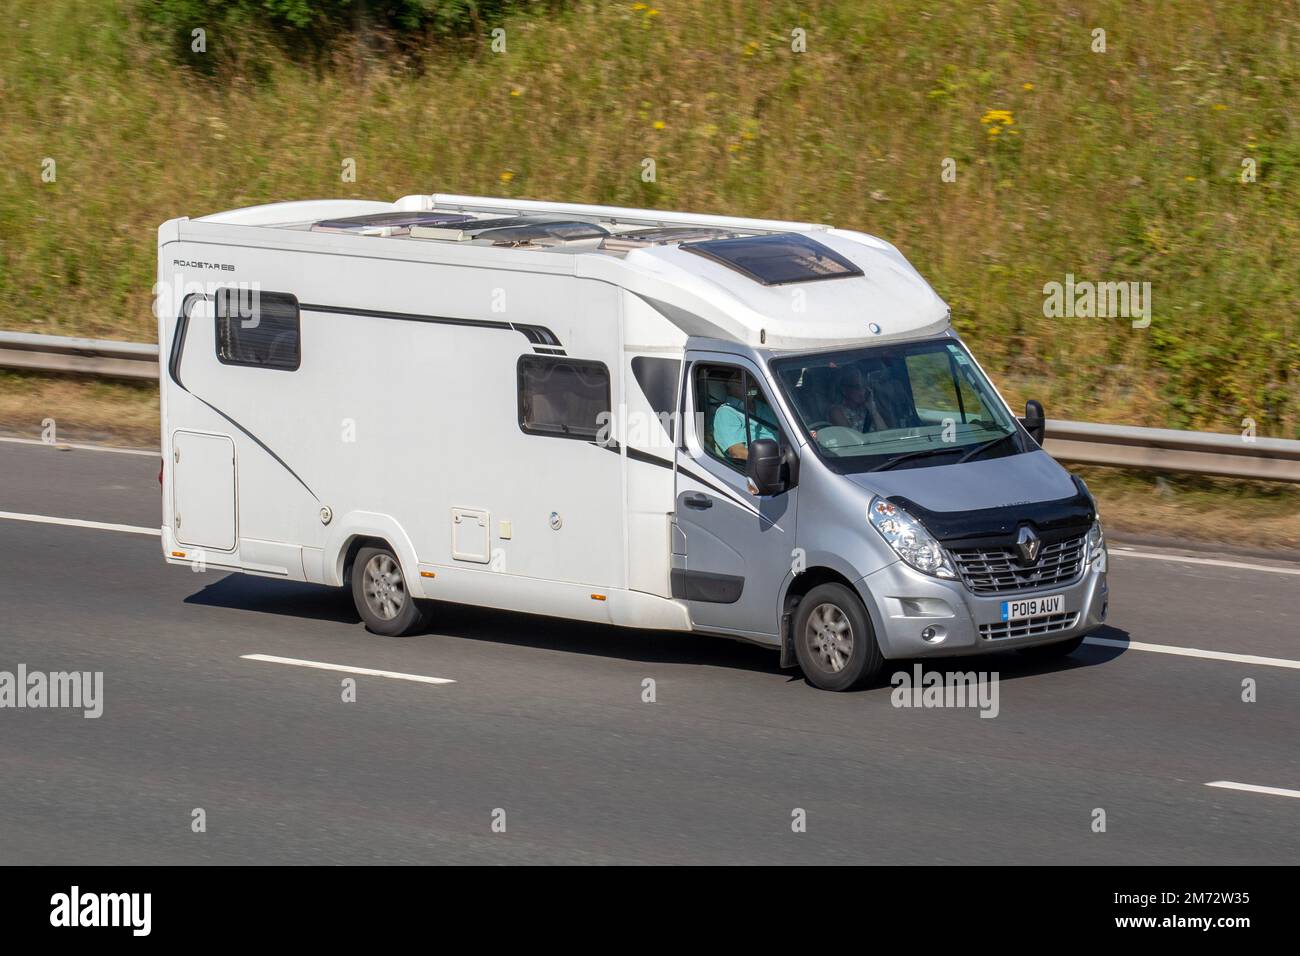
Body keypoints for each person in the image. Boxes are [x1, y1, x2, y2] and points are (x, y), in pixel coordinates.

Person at [712, 375, 779, 461]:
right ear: (729, 383)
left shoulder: (765, 407)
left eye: (752, 378)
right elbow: (737, 452)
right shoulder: (727, 412)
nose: (751, 383)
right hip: (761, 466)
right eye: (742, 378)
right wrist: (772, 461)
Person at [828, 367, 886, 432]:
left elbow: (884, 433)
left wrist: (873, 410)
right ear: (844, 390)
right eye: (857, 387)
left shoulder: (867, 408)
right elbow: (850, 437)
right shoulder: (836, 411)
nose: (862, 391)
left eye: (864, 386)